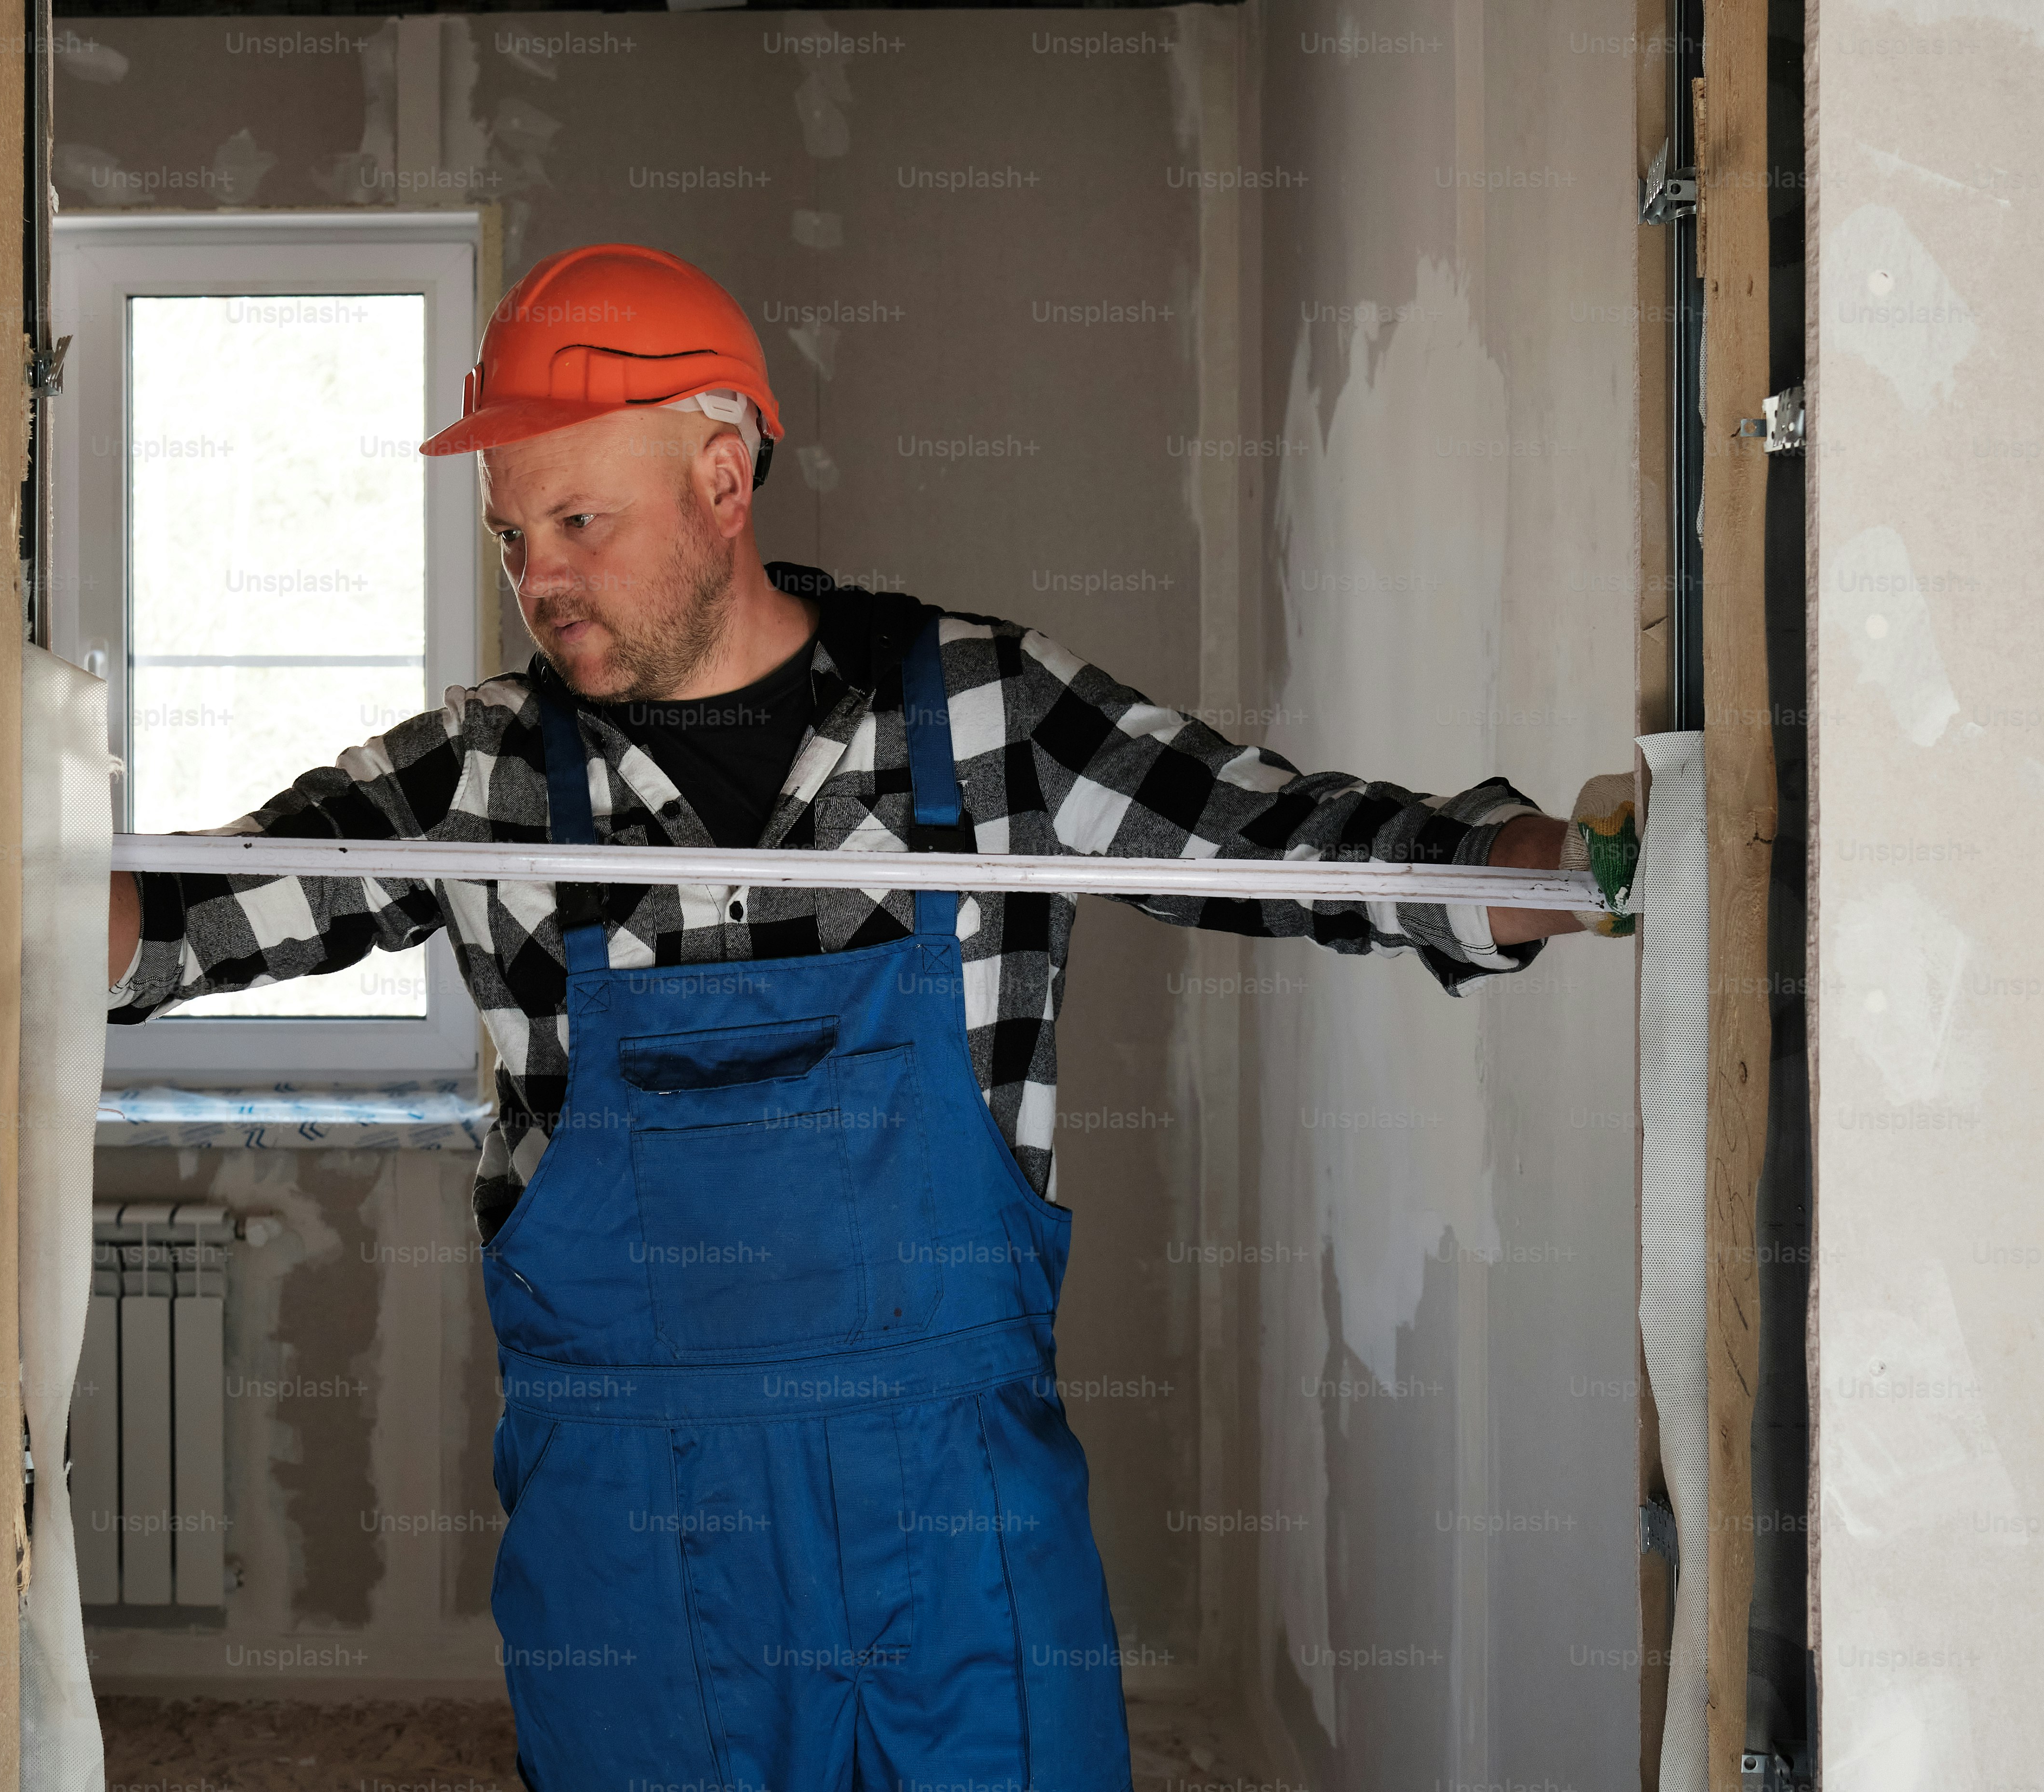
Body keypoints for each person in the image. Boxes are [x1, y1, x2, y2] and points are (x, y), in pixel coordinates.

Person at [104, 243, 1598, 1791]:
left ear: (725, 480)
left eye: (579, 522)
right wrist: (31, 853)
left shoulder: (978, 718)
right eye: (510, 539)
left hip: (954, 1530)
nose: (537, 578)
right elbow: (188, 921)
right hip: (636, 1554)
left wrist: (1546, 869)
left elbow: (1275, 846)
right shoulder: (473, 781)